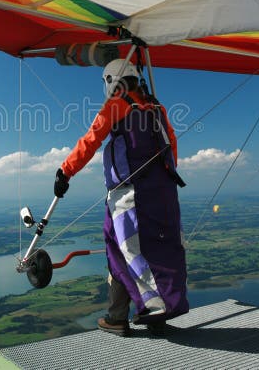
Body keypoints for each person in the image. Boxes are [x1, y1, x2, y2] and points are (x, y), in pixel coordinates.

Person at [54, 58, 189, 336]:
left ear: (112, 81)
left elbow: (90, 140)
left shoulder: (118, 105)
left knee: (127, 248)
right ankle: (131, 315)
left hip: (132, 195)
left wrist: (65, 172)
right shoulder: (156, 108)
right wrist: (160, 183)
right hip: (162, 192)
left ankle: (146, 313)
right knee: (136, 248)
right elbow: (171, 147)